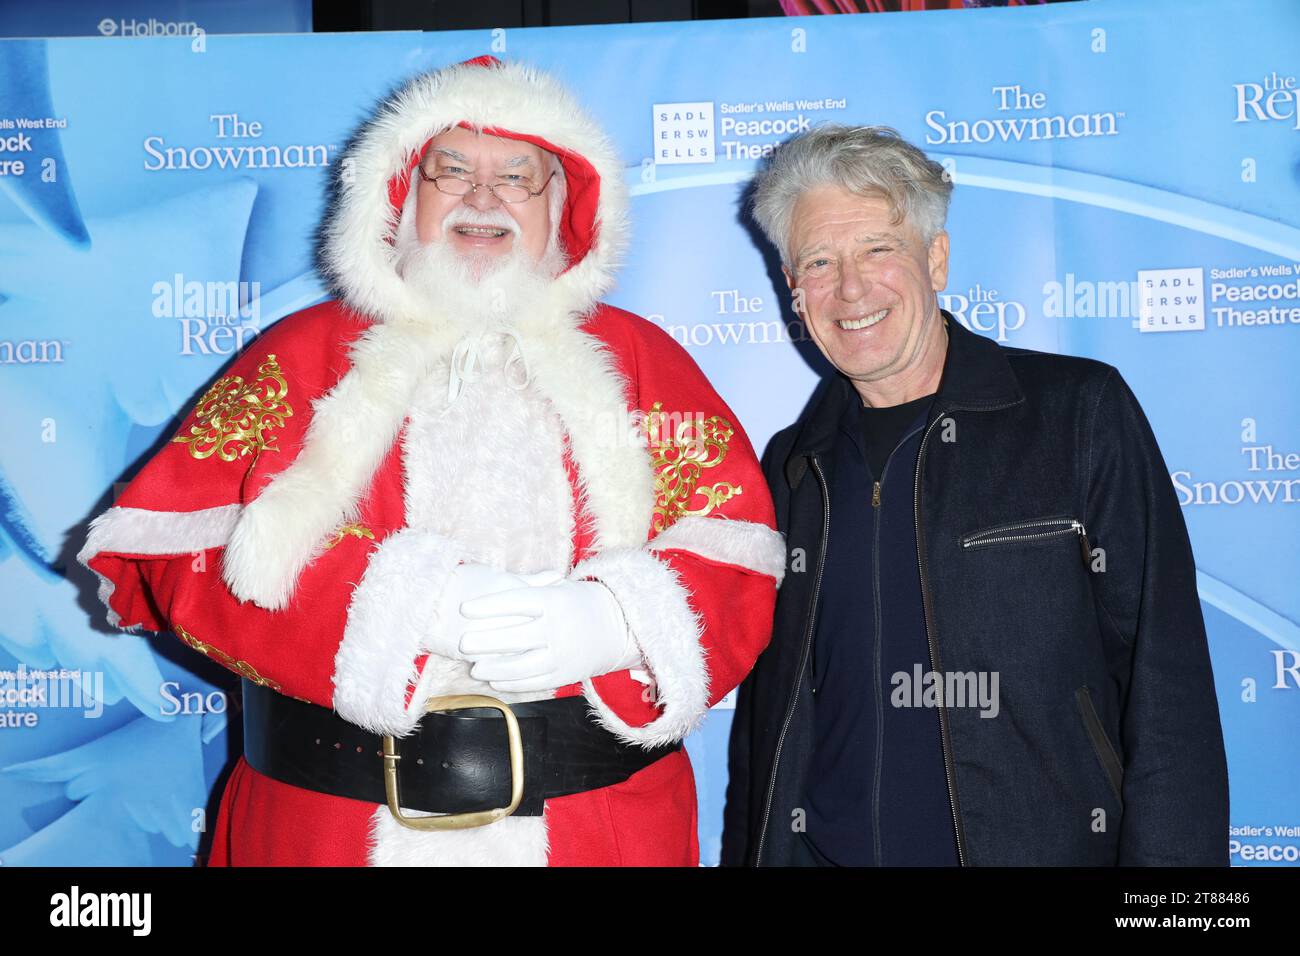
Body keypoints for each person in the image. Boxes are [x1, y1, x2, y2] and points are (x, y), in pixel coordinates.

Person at [78, 56, 786, 867]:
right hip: (327, 829)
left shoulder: (643, 364)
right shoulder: (299, 357)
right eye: (451, 171)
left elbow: (738, 556)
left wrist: (617, 621)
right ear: (400, 198)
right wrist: (400, 604)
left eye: (518, 177)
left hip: (599, 830)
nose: (482, 198)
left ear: (563, 208)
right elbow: (179, 556)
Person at [722, 124, 1228, 866]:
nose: (851, 288)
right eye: (819, 262)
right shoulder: (793, 464)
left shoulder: (1077, 414)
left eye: (877, 250)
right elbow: (765, 728)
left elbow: (1168, 689)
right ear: (794, 292)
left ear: (936, 258)